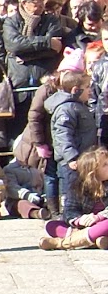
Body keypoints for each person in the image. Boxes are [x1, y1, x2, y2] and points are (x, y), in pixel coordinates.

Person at [48, 68, 96, 223]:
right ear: (76, 90)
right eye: (87, 87)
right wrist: (71, 157)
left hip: (83, 160)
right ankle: (68, 221)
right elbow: (63, 135)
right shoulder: (66, 109)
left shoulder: (79, 105)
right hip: (72, 163)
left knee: (82, 195)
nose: (90, 91)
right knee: (71, 196)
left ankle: (79, 221)